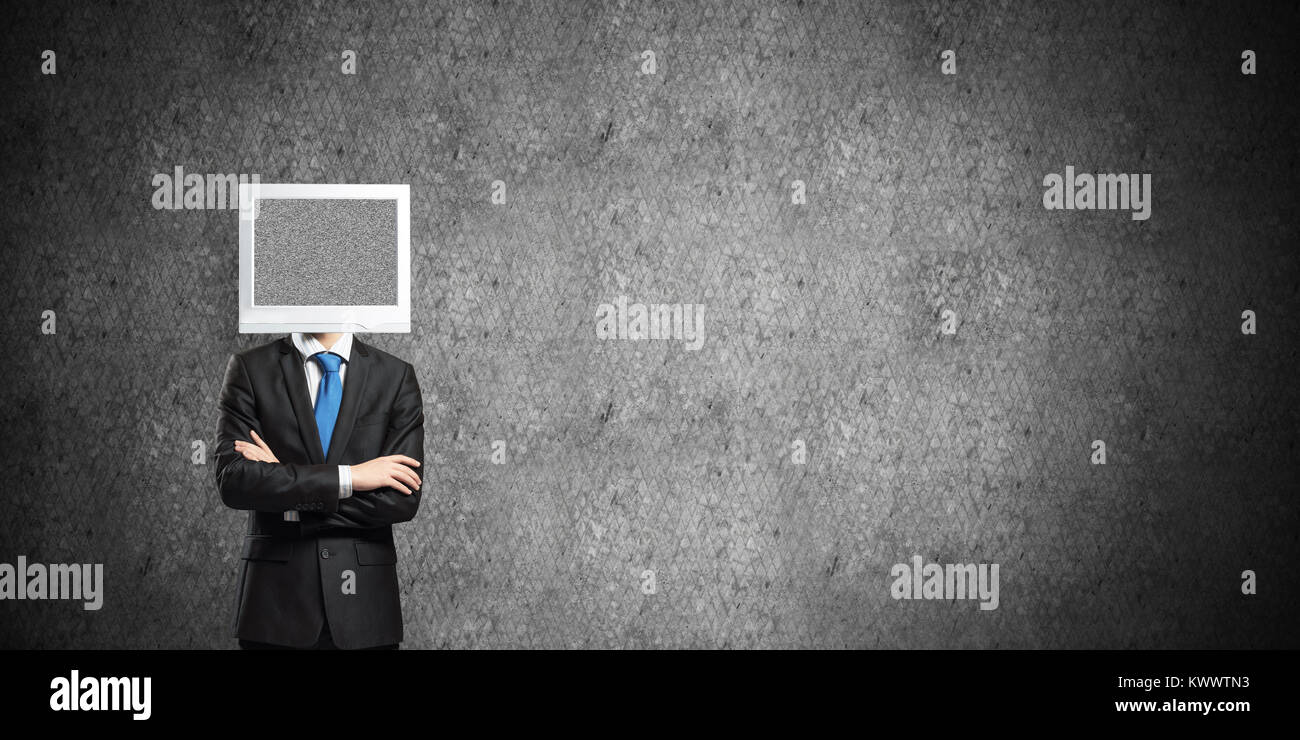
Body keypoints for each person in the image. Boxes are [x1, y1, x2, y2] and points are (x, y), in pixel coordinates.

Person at [213, 331, 425, 649]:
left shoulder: (395, 376)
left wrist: (284, 484)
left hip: (365, 611)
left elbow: (400, 501)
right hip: (274, 610)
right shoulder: (250, 369)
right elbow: (235, 482)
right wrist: (350, 478)